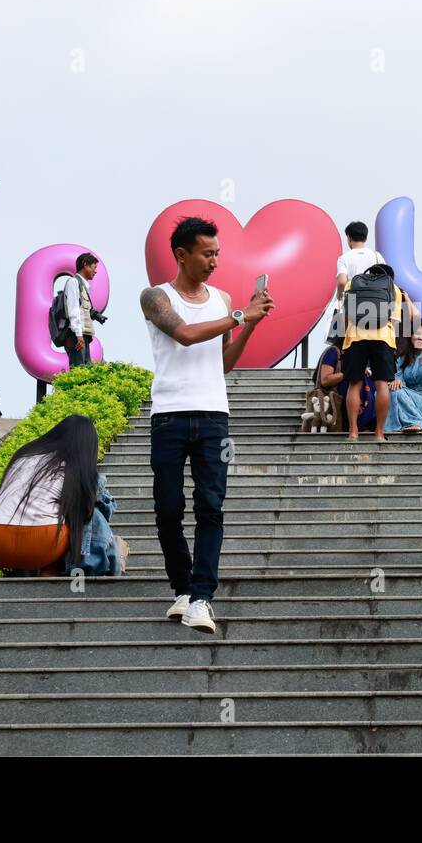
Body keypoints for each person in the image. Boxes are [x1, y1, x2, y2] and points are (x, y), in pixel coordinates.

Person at [139, 216, 274, 634]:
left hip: (214, 414)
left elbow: (224, 363)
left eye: (217, 253)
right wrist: (238, 316)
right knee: (167, 508)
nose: (214, 261)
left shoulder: (222, 300)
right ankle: (182, 589)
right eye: (207, 253)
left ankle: (201, 598)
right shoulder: (154, 297)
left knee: (211, 507)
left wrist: (248, 323)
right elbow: (183, 334)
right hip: (169, 415)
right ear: (182, 254)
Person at [0, 414, 107, 579]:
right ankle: (50, 570)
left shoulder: (23, 457)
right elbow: (82, 514)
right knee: (74, 518)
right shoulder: (73, 469)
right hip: (43, 545)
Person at [339, 262, 407, 441]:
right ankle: (379, 433)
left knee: (355, 384)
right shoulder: (393, 288)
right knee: (382, 384)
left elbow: (345, 316)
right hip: (383, 338)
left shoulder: (352, 283)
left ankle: (353, 432)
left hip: (355, 337)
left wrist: (345, 340)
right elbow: (395, 322)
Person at [385, 319, 422, 433]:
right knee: (386, 390)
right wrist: (397, 381)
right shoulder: (402, 359)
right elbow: (398, 377)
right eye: (417, 333)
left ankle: (418, 422)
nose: (420, 337)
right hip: (408, 401)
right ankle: (396, 424)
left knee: (396, 391)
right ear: (411, 336)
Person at [312, 332, 377, 433]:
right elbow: (324, 380)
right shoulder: (334, 352)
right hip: (337, 398)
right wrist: (350, 372)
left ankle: (365, 424)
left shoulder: (358, 354)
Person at [61, 253, 107, 369]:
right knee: (79, 369)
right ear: (85, 265)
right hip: (77, 335)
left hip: (83, 335)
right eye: (94, 267)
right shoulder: (73, 282)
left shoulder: (83, 286)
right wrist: (78, 335)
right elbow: (73, 309)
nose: (95, 271)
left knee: (85, 369)